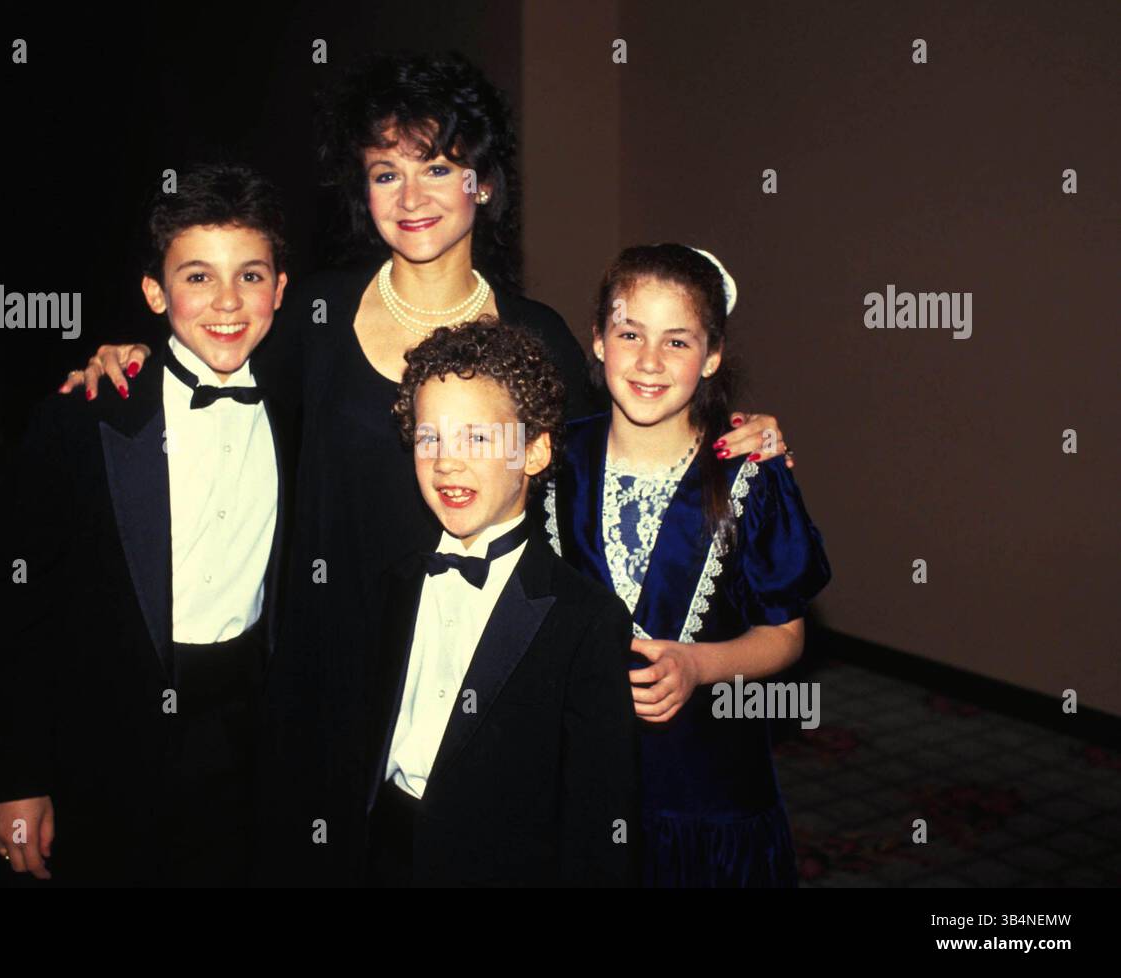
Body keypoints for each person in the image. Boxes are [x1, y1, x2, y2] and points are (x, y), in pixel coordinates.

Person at [56, 53, 789, 883]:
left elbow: (622, 435)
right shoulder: (314, 314)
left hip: (478, 687)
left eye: (438, 166)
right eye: (385, 171)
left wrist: (738, 432)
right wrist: (129, 356)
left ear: (482, 182)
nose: (411, 197)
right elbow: (214, 357)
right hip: (320, 678)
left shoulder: (538, 336)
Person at [0, 163, 293, 886]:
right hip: (109, 734)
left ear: (279, 287)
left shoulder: (299, 403)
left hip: (248, 734)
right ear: (156, 291)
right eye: (197, 277)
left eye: (250, 275)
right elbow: (10, 608)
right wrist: (11, 775)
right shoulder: (85, 417)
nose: (227, 302)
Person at [542, 243, 831, 887]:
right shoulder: (552, 461)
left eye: (677, 342)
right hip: (584, 791)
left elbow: (785, 635)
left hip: (710, 799)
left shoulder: (750, 473)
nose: (649, 361)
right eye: (629, 333)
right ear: (597, 339)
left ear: (713, 355)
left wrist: (697, 664)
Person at [365, 318, 640, 886]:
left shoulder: (586, 621)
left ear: (535, 451)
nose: (446, 461)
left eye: (478, 438)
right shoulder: (393, 582)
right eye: (429, 437)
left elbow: (599, 821)